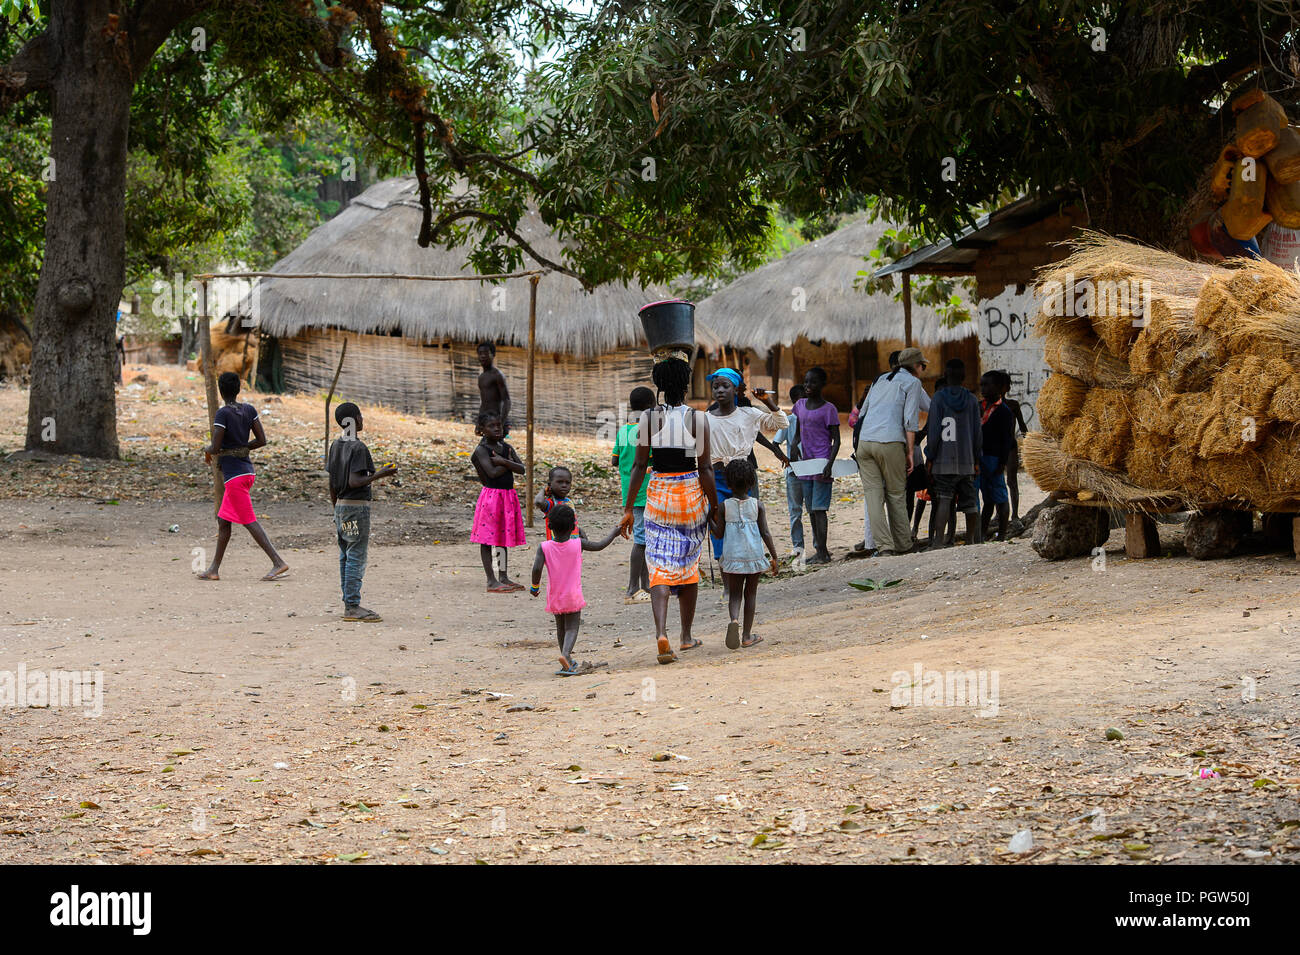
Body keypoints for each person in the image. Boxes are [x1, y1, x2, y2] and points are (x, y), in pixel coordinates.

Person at [619, 351, 718, 665]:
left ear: (658, 384)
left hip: (659, 491)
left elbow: (637, 467)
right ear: (686, 385)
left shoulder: (648, 418)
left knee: (660, 565)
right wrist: (713, 506)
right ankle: (686, 637)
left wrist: (626, 507)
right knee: (688, 565)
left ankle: (661, 632)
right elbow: (706, 470)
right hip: (690, 493)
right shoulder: (697, 418)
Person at [197, 372, 289, 581]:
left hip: (235, 477)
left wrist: (207, 449)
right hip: (247, 472)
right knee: (223, 521)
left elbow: (217, 445)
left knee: (249, 521)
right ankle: (213, 569)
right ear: (238, 389)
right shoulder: (249, 410)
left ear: (221, 391)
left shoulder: (222, 414)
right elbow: (261, 440)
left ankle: (278, 562)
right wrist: (241, 448)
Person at [704, 367, 787, 576]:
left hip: (741, 478)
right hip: (716, 478)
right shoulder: (705, 418)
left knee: (744, 523)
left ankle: (748, 570)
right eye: (716, 387)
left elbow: (782, 422)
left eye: (725, 386)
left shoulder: (749, 414)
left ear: (736, 390)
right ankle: (726, 576)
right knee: (718, 522)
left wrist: (767, 400)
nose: (720, 390)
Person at [530, 504, 621, 676]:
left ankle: (567, 660)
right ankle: (565, 655)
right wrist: (613, 533)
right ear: (573, 526)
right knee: (572, 627)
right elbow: (600, 545)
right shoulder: (578, 544)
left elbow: (536, 569)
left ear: (549, 526)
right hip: (572, 595)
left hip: (555, 595)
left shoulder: (544, 547)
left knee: (561, 628)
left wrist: (534, 587)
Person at [327, 401, 398, 621]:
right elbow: (355, 481)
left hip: (341, 506)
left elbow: (331, 481)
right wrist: (381, 474)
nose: (362, 420)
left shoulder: (336, 446)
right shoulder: (358, 448)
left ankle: (349, 602)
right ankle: (352, 606)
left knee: (345, 555)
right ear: (355, 420)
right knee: (356, 555)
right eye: (360, 416)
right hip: (356, 508)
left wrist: (336, 509)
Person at [853, 346, 926, 556]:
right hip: (890, 441)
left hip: (865, 443)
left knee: (873, 496)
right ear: (914, 366)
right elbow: (910, 421)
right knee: (896, 495)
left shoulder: (880, 379)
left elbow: (863, 413)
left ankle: (884, 547)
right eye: (922, 365)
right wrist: (910, 452)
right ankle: (904, 544)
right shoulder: (913, 383)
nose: (923, 369)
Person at [710, 459, 779, 650]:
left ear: (728, 483)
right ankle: (747, 636)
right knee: (751, 594)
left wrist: (709, 520)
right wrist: (774, 556)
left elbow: (719, 534)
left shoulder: (724, 506)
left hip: (733, 556)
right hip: (754, 556)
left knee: (734, 595)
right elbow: (765, 532)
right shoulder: (758, 506)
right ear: (752, 483)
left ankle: (734, 620)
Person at [924, 358, 982, 548]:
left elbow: (933, 432)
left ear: (945, 375)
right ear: (964, 377)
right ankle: (971, 540)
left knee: (944, 499)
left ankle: (939, 541)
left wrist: (930, 456)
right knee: (971, 502)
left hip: (943, 460)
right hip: (967, 460)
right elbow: (977, 433)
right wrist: (976, 459)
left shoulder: (938, 399)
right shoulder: (973, 400)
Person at [469, 410, 526, 592]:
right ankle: (491, 580)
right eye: (491, 426)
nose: (496, 429)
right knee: (487, 540)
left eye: (499, 425)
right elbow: (491, 473)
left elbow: (523, 469)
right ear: (481, 430)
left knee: (501, 538)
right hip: (492, 498)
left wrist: (504, 461)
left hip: (507, 497)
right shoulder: (481, 450)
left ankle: (503, 576)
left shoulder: (506, 448)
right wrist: (507, 463)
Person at [791, 366, 840, 564]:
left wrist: (830, 463)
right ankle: (819, 549)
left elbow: (837, 440)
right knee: (811, 509)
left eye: (813, 382)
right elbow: (797, 430)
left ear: (822, 384)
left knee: (820, 509)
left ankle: (824, 552)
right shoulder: (800, 405)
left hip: (821, 463)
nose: (808, 385)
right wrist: (794, 445)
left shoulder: (829, 409)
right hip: (806, 463)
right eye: (806, 381)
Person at [612, 386, 655, 603]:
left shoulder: (622, 431)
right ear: (650, 407)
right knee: (641, 541)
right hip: (646, 491)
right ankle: (632, 588)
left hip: (630, 492)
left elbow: (614, 460)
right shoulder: (647, 432)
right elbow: (651, 459)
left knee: (644, 539)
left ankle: (646, 585)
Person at [978, 371, 1017, 542]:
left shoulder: (1004, 411)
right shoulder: (979, 407)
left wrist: (1002, 462)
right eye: (982, 385)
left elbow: (1006, 440)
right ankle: (981, 532)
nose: (983, 388)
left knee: (1000, 497)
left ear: (1000, 388)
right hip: (981, 457)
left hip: (995, 459)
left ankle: (1002, 533)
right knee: (987, 498)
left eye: (987, 385)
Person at [772, 383, 807, 556]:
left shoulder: (810, 418)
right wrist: (784, 459)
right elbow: (775, 444)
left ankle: (814, 545)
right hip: (794, 471)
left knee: (811, 510)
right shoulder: (789, 420)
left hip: (809, 469)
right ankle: (798, 547)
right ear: (794, 402)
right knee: (796, 511)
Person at [993, 370, 1029, 523]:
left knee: (1011, 482)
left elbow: (1022, 427)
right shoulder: (989, 406)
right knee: (997, 481)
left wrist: (1030, 444)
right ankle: (998, 514)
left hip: (1010, 447)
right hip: (994, 448)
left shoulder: (1013, 405)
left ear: (1007, 388)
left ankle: (1014, 515)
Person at [535, 465, 585, 541]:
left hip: (571, 543)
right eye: (560, 482)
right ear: (550, 484)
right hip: (556, 546)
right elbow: (538, 502)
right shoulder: (551, 503)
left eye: (567, 482)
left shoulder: (568, 501)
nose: (564, 485)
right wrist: (543, 490)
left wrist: (579, 531)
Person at [476, 342, 511, 435]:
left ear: (493, 355)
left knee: (491, 447)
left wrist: (500, 423)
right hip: (487, 421)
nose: (483, 356)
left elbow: (507, 401)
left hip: (497, 420)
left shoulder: (497, 375)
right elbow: (484, 403)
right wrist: (479, 423)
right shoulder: (481, 377)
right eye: (480, 353)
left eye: (486, 353)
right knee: (488, 448)